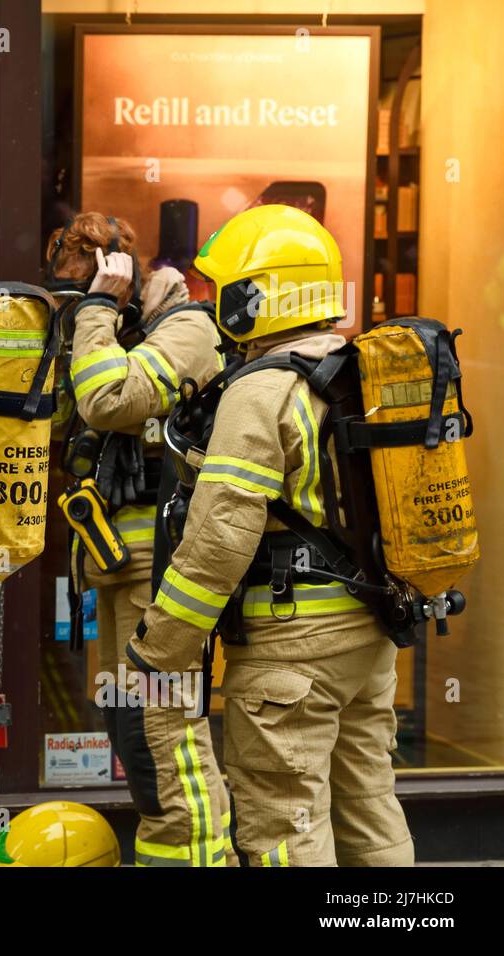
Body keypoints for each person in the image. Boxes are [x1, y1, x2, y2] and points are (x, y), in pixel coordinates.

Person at [125, 204, 414, 866]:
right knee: (369, 801)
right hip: (370, 634)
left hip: (291, 654)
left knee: (286, 822)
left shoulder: (261, 392)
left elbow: (218, 540)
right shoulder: (356, 367)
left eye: (222, 290)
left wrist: (160, 646)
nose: (212, 304)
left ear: (261, 296)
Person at [52, 212, 231, 866]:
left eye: (82, 286)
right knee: (136, 736)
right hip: (122, 572)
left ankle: (196, 858)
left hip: (162, 578)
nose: (74, 306)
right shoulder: (127, 331)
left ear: (115, 274)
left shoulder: (187, 327)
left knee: (165, 738)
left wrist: (98, 309)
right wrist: (94, 318)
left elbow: (106, 399)